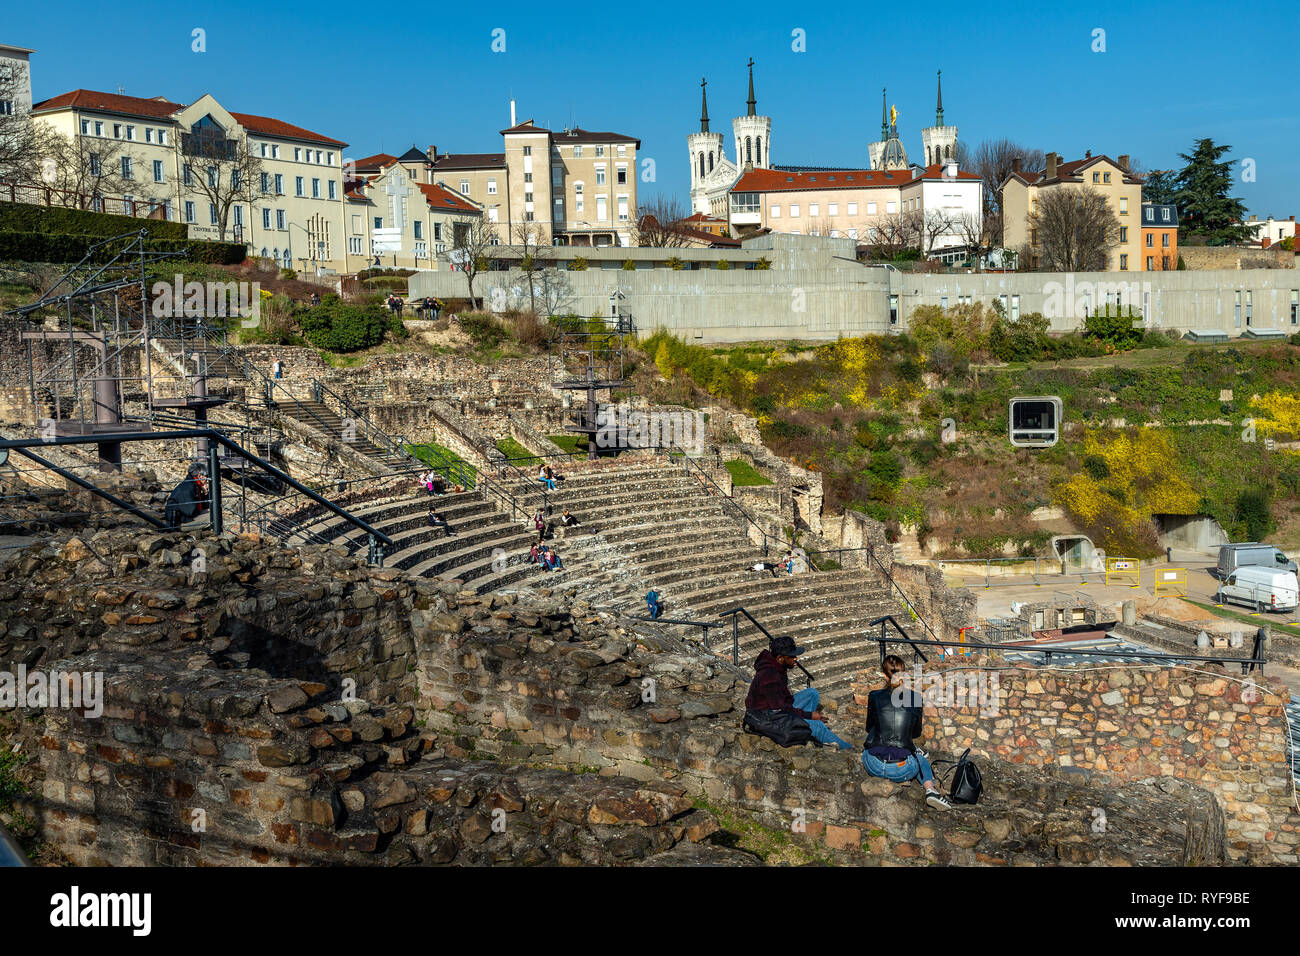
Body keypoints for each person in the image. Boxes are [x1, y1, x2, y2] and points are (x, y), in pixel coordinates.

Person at [861, 655, 952, 811]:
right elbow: (916, 733)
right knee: (919, 757)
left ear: (884, 675)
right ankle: (930, 789)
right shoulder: (915, 697)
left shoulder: (874, 696)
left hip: (873, 765)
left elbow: (869, 727)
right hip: (900, 770)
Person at [743, 636, 854, 750]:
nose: (795, 658)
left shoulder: (777, 666)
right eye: (791, 656)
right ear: (780, 658)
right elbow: (780, 710)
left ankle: (804, 728)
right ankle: (848, 748)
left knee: (812, 693)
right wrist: (809, 715)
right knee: (818, 726)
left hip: (774, 708)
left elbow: (782, 702)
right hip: (765, 717)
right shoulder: (770, 677)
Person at [164, 464, 209, 529]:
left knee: (213, 511)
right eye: (206, 476)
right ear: (200, 476)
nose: (207, 479)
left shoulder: (192, 484)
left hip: (184, 519)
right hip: (179, 524)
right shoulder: (188, 488)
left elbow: (203, 505)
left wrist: (205, 492)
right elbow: (190, 512)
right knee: (214, 517)